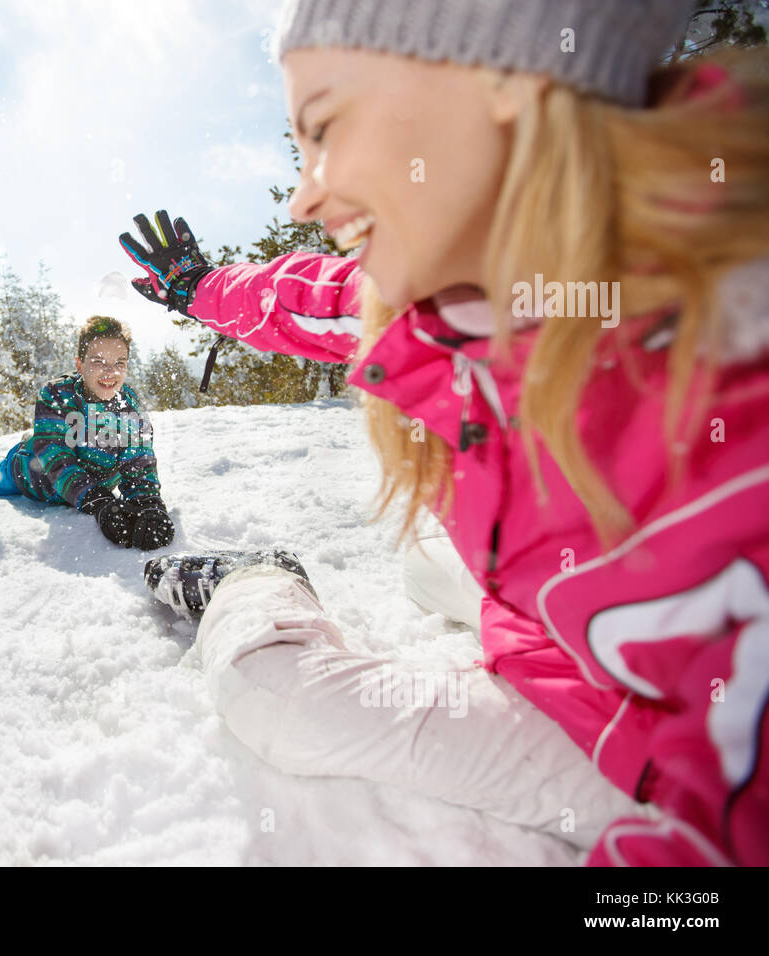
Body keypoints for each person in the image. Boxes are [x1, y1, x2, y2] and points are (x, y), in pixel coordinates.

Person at [124, 0, 769, 866]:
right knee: (426, 556)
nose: (310, 193)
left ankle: (255, 587)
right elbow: (313, 294)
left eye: (328, 129)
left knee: (278, 698)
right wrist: (201, 287)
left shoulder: (726, 382)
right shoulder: (449, 289)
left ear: (498, 89)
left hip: (637, 735)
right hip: (555, 627)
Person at [0, 316, 175, 551]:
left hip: (86, 490)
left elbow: (139, 461)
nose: (110, 372)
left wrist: (150, 505)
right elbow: (56, 458)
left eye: (120, 362)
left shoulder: (129, 406)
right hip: (28, 474)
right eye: (98, 361)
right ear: (80, 364)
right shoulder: (56, 394)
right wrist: (98, 501)